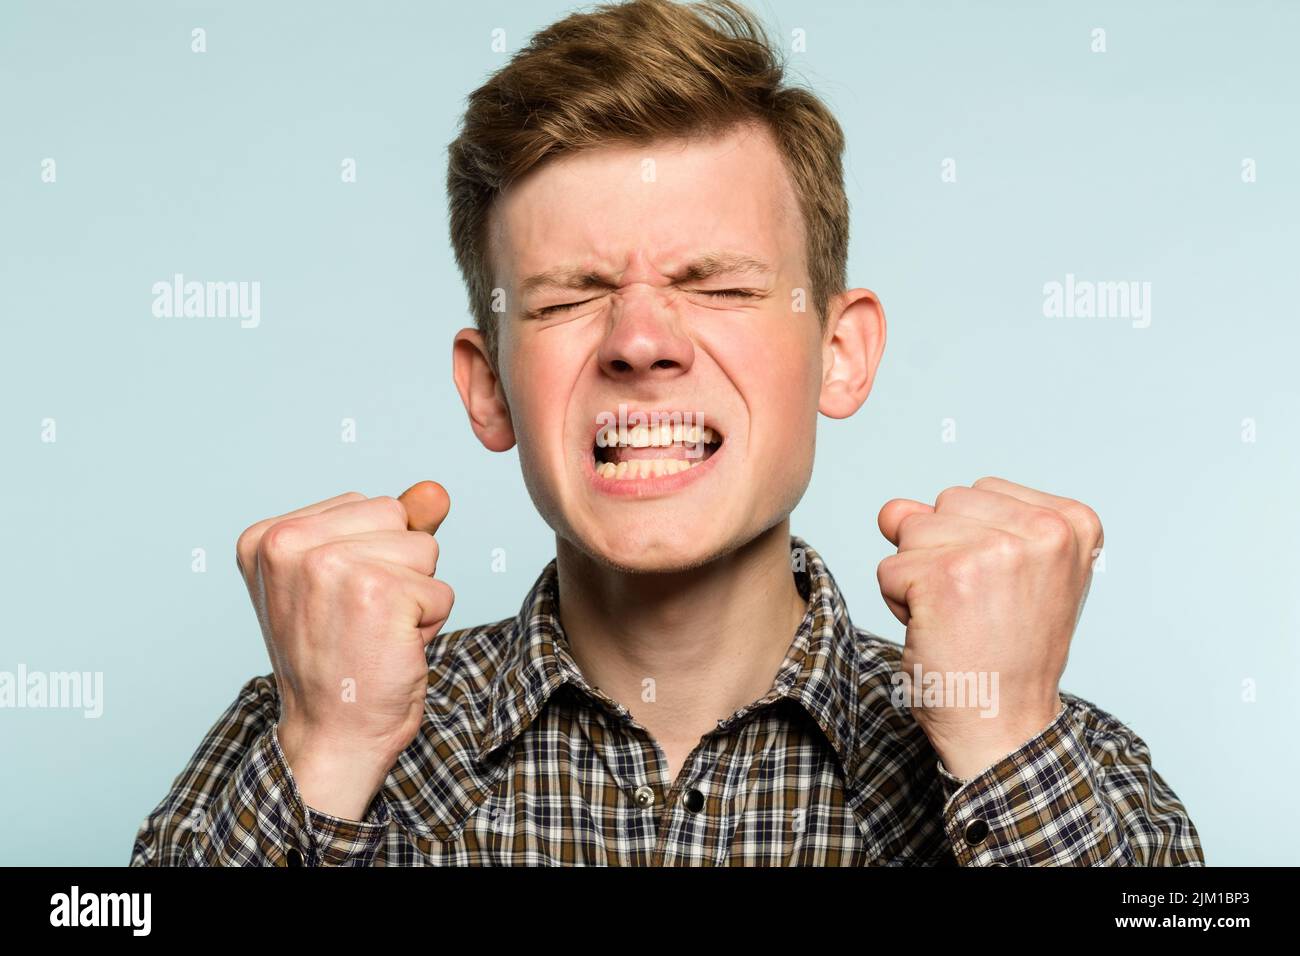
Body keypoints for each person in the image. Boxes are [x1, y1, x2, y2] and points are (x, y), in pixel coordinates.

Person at [131, 0, 1202, 866]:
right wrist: (327, 749)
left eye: (721, 285)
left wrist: (1002, 738)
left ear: (842, 353)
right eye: (564, 299)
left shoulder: (1064, 758)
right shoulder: (296, 732)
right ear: (489, 386)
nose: (640, 341)